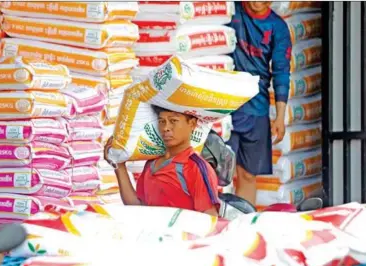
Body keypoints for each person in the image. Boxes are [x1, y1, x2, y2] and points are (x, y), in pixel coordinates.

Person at [227, 1, 292, 206]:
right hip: (223, 106)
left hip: (256, 109)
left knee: (247, 175)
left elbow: (281, 72)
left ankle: (241, 224)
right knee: (217, 172)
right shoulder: (230, 12)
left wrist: (280, 117)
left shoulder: (277, 27)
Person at [104, 105, 220, 216]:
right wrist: (119, 166)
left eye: (173, 121)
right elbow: (138, 207)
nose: (166, 128)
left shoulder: (196, 168)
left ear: (192, 124)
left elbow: (210, 218)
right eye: (161, 121)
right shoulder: (152, 164)